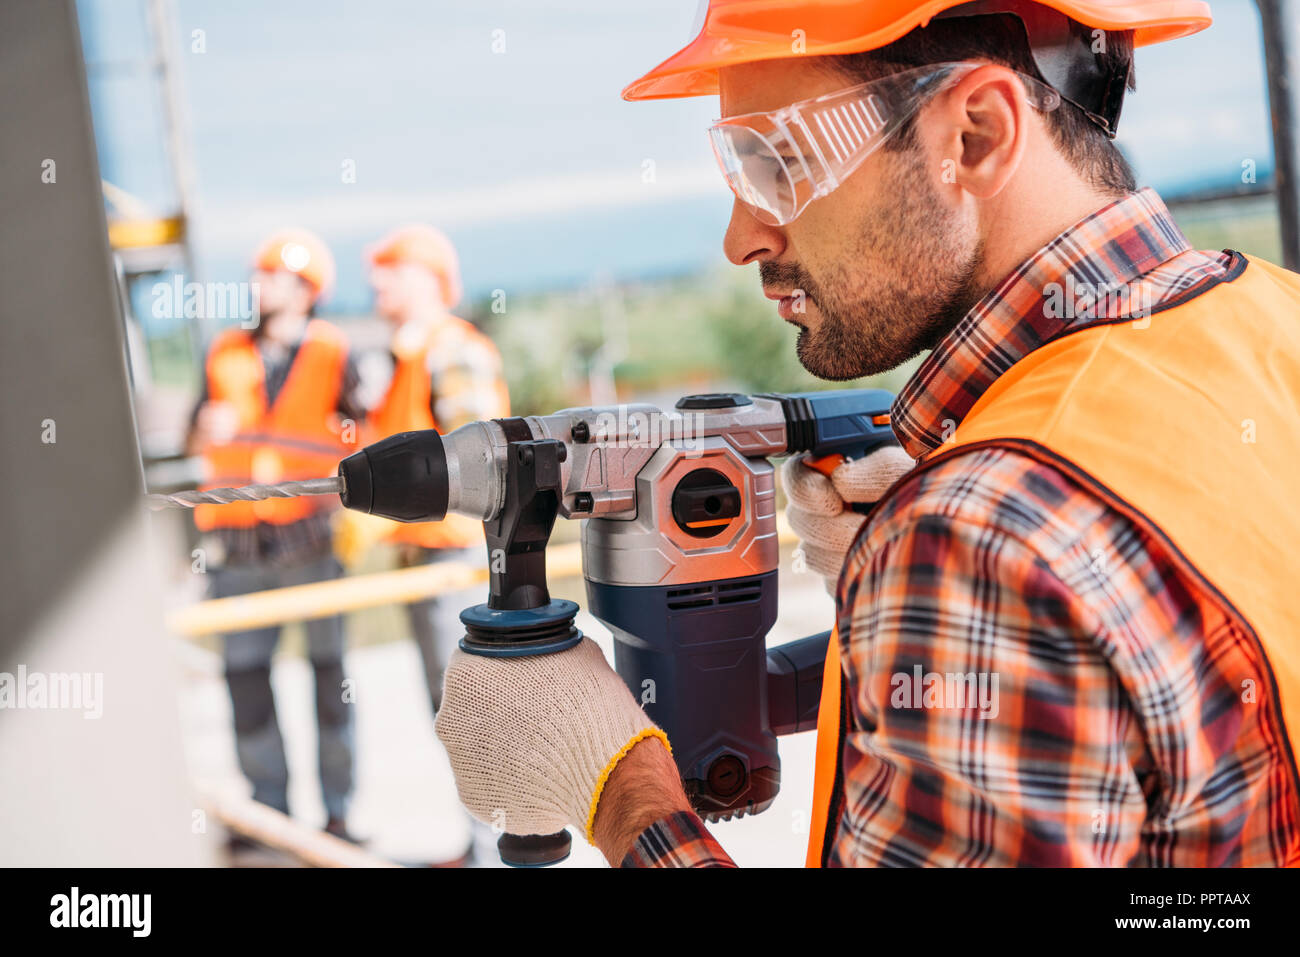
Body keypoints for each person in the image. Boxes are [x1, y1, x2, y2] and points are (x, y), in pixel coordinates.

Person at [431, 0, 1300, 867]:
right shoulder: (1275, 317)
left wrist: (620, 792)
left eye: (780, 161)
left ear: (976, 135)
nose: (743, 236)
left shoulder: (980, 537)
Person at [187, 228, 364, 843]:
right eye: (258, 275)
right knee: (246, 684)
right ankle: (269, 816)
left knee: (328, 680)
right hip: (237, 548)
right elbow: (194, 434)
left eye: (274, 277)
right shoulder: (223, 352)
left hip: (308, 543)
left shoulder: (335, 352)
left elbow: (362, 436)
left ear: (306, 291)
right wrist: (209, 426)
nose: (259, 286)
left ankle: (339, 813)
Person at [361, 225, 510, 714]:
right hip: (425, 551)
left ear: (429, 279)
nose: (377, 285)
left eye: (391, 273)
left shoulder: (452, 349)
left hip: (457, 556)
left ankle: (497, 793)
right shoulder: (411, 358)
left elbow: (478, 464)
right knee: (448, 704)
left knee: (470, 705)